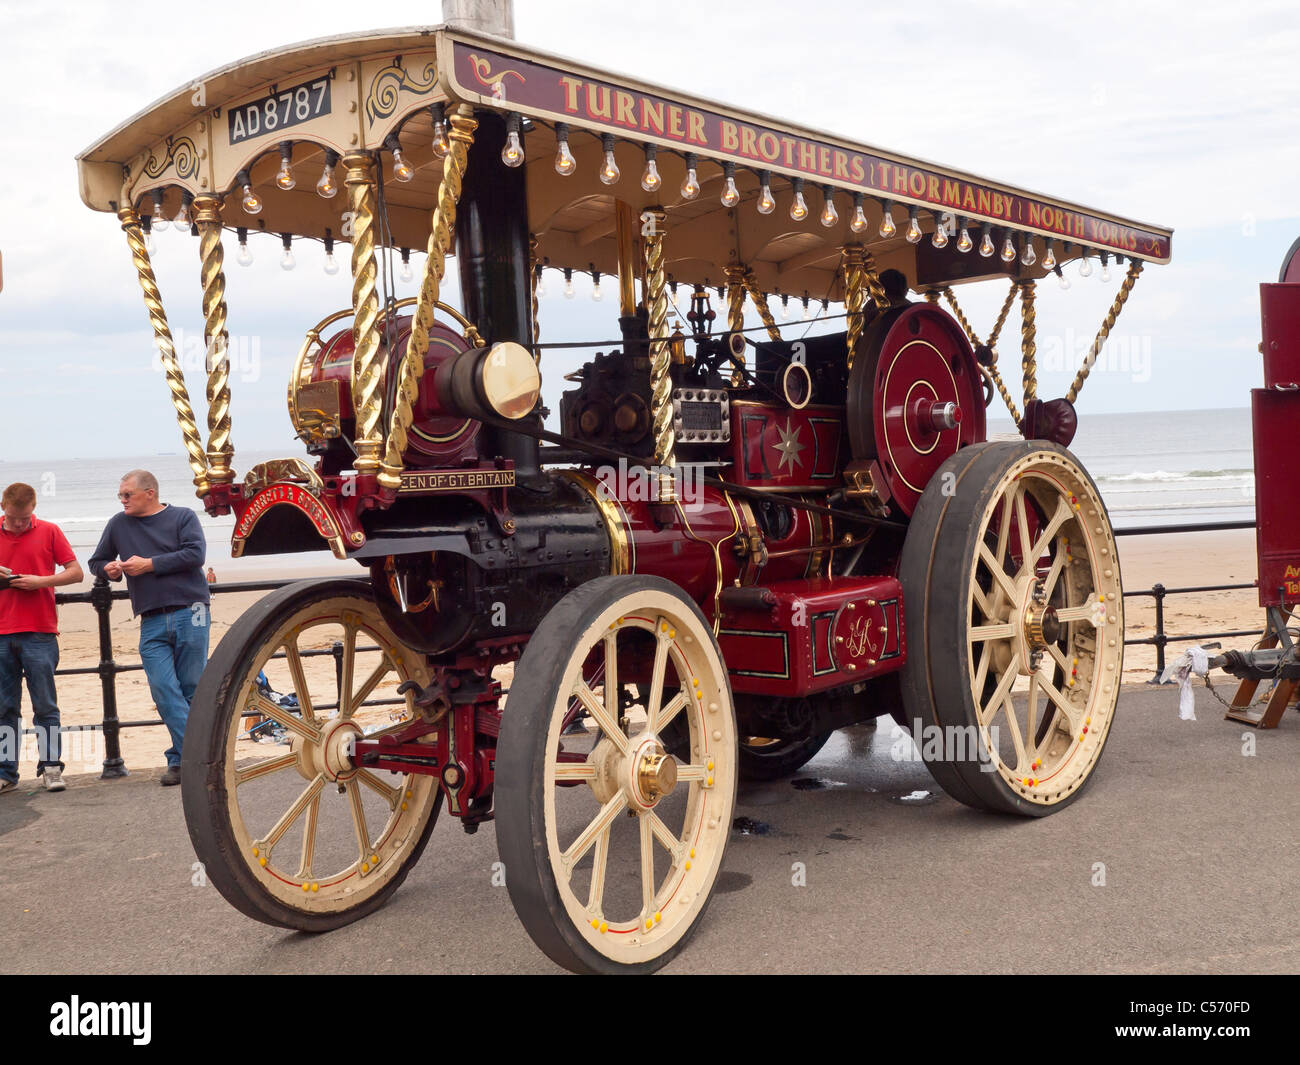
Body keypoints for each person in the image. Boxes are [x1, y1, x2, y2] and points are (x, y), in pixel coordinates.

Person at [88, 470, 209, 786]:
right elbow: (96, 561)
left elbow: (195, 555)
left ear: (150, 493)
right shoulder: (118, 524)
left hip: (191, 611)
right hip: (151, 618)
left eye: (128, 494)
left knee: (192, 687)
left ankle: (182, 760)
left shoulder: (183, 516)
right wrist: (111, 570)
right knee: (163, 689)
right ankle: (202, 757)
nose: (123, 500)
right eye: (121, 495)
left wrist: (149, 564)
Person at [0, 482, 84, 794]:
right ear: (3, 508)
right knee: (3, 708)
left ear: (34, 509)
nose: (20, 524)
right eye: (13, 518)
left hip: (39, 631)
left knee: (45, 705)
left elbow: (76, 572)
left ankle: (51, 767)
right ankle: (6, 772)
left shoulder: (49, 530)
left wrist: (41, 581)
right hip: (1, 632)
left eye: (25, 518)